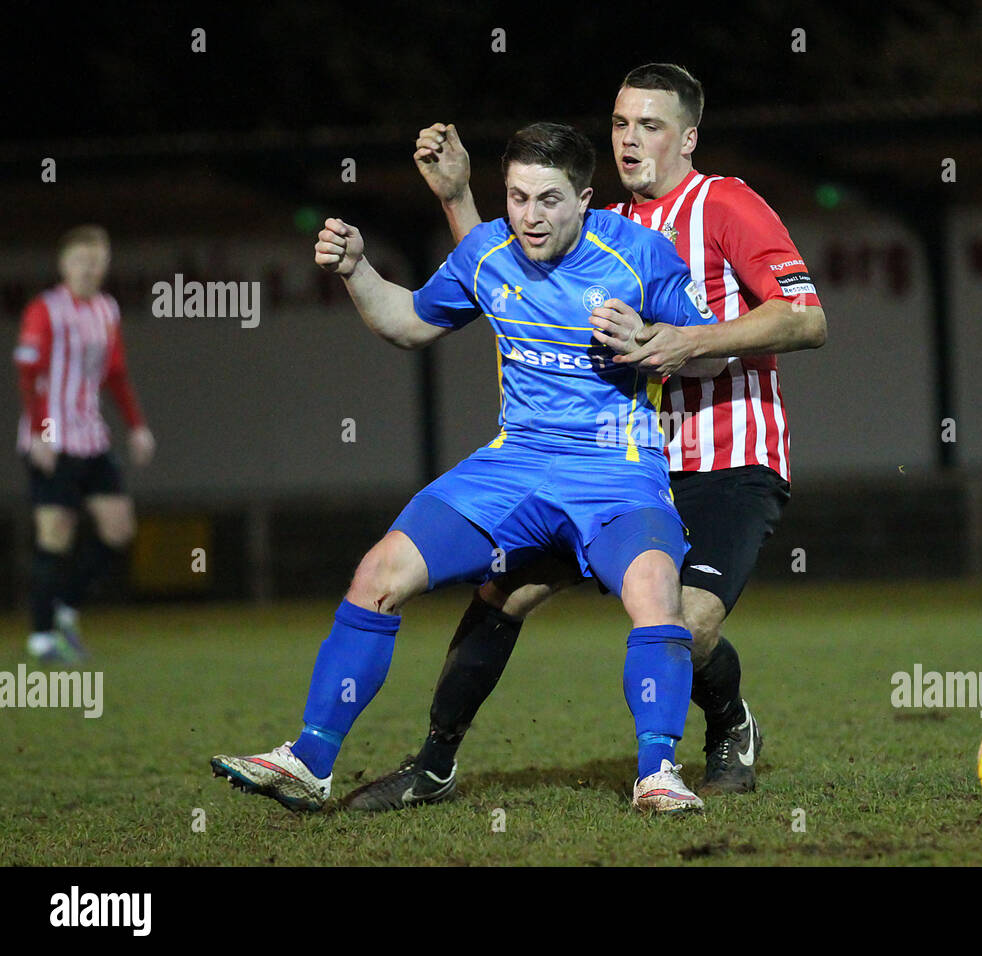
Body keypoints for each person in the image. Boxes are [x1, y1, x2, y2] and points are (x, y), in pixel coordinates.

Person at [343, 63, 826, 811]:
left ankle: (730, 724)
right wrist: (458, 198)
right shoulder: (598, 221)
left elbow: (805, 318)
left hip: (725, 458)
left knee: (687, 626)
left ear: (689, 136)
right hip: (611, 466)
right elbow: (501, 279)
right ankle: (432, 765)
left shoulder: (724, 204)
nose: (631, 140)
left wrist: (681, 339)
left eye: (651, 125)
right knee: (500, 594)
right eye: (621, 124)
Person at [210, 122, 726, 813]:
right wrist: (357, 271)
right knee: (378, 574)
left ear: (585, 199)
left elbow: (715, 355)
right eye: (516, 197)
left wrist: (657, 343)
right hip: (514, 464)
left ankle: (657, 773)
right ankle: (309, 761)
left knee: (656, 591)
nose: (529, 216)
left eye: (548, 200)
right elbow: (407, 325)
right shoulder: (488, 253)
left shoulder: (640, 254)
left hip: (616, 469)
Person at [14, 224, 155, 664]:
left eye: (97, 260)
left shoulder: (107, 309)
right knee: (55, 532)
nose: (89, 268)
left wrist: (136, 426)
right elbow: (28, 374)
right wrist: (40, 432)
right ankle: (40, 637)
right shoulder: (45, 310)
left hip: (91, 436)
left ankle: (65, 608)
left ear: (105, 264)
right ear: (64, 264)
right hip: (53, 437)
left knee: (118, 529)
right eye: (81, 260)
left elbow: (114, 374)